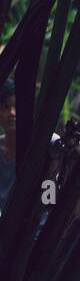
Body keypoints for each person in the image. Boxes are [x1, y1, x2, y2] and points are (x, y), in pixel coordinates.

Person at [0, 79, 15, 215]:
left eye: (17, 106)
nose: (12, 113)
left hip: (40, 227)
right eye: (5, 107)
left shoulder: (46, 144)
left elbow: (50, 192)